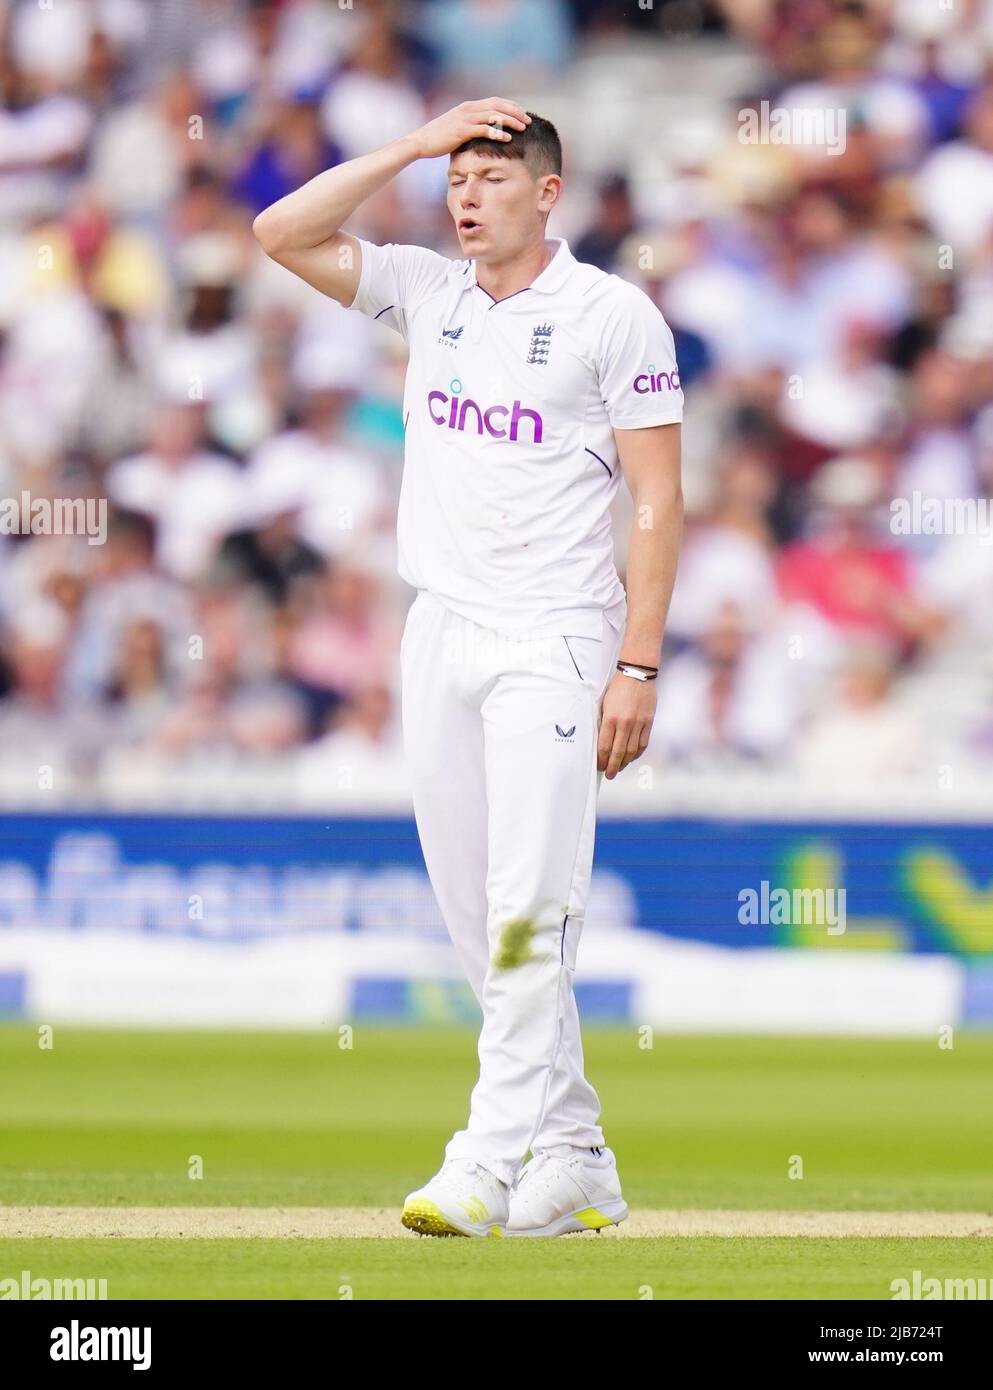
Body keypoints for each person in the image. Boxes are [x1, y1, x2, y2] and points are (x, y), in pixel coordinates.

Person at [253, 98, 684, 1238]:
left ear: (549, 193)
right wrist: (409, 142)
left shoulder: (611, 314)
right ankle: (576, 1149)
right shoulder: (427, 290)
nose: (466, 194)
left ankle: (482, 1164)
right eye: (456, 178)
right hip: (439, 627)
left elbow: (658, 498)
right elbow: (279, 234)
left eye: (492, 177)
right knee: (472, 918)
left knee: (525, 910)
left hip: (557, 636)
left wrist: (638, 663)